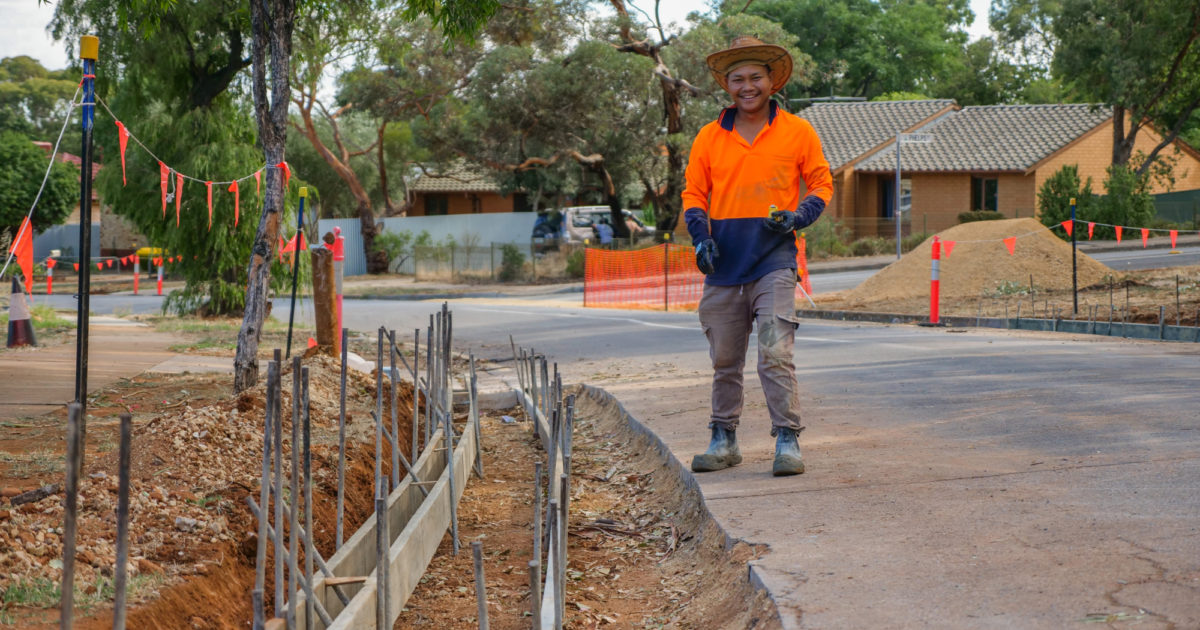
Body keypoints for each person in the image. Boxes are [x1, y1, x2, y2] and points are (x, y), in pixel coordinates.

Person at [681, 36, 833, 476]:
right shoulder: (709, 137)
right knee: (725, 360)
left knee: (775, 351)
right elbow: (694, 193)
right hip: (723, 265)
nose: (747, 86)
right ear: (727, 85)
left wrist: (797, 216)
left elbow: (822, 184)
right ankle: (723, 439)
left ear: (771, 82)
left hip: (773, 262)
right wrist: (700, 238)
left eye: (755, 77)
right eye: (737, 79)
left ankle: (787, 441)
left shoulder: (797, 131)